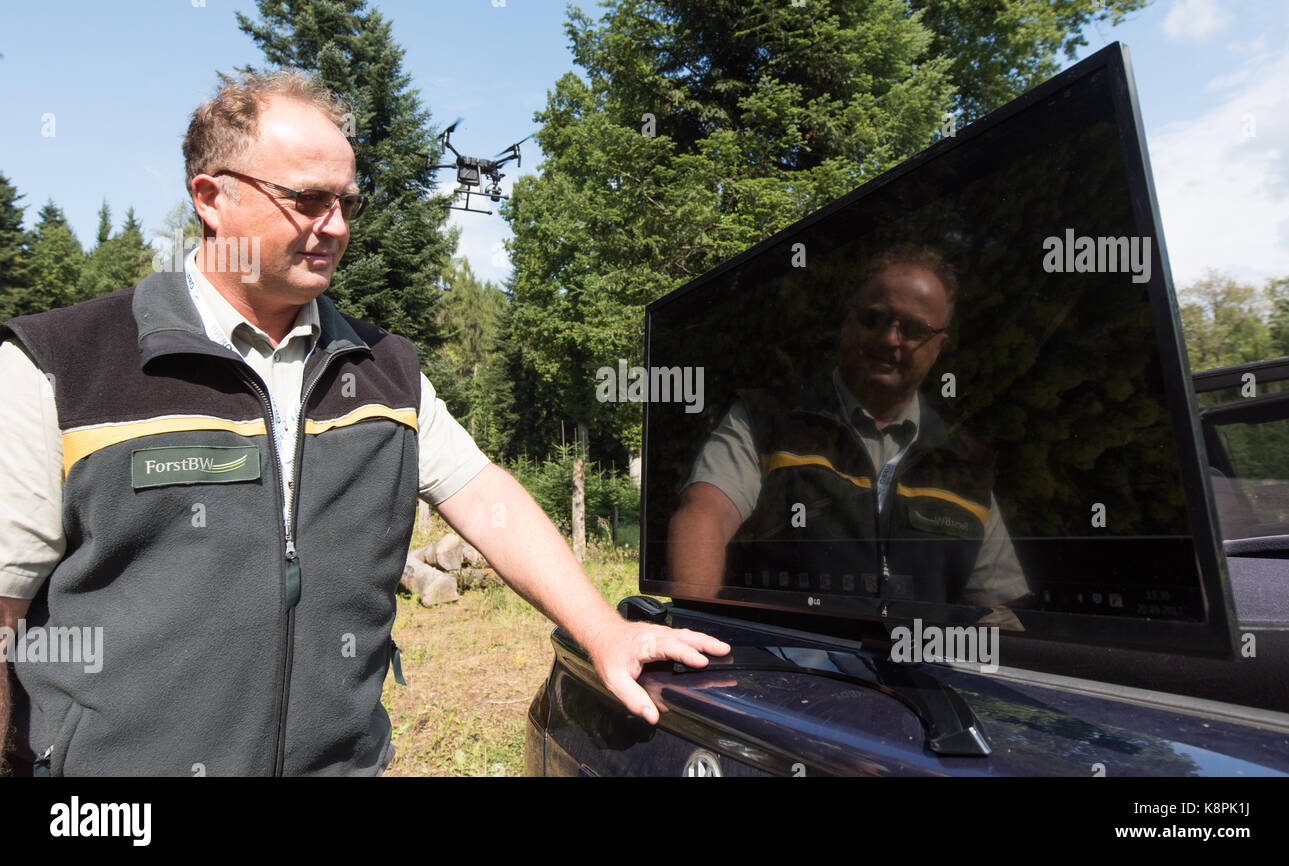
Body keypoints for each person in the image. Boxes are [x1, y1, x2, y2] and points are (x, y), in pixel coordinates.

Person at [0, 69, 727, 777]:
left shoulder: (385, 368)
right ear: (211, 197)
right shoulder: (62, 366)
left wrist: (604, 630)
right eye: (308, 200)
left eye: (347, 201)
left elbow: (483, 494)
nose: (336, 227)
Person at [667, 244, 1029, 617]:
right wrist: (696, 628)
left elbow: (993, 606)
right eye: (874, 319)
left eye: (914, 329)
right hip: (782, 666)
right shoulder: (767, 418)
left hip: (916, 673)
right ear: (848, 323)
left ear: (939, 347)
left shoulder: (965, 465)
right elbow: (705, 513)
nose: (891, 339)